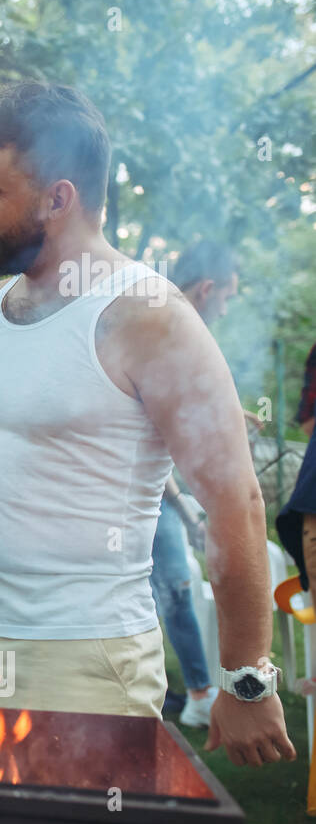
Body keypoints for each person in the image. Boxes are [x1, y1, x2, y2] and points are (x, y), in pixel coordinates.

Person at [0, 82, 294, 767]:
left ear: (59, 198)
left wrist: (246, 681)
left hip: (84, 659)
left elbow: (236, 501)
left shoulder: (150, 317)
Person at [152, 241, 252, 727]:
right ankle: (197, 695)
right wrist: (192, 512)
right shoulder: (171, 333)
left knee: (164, 591)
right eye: (227, 297)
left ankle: (178, 691)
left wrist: (227, 415)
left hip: (151, 495)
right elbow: (155, 439)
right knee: (172, 588)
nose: (227, 308)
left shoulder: (157, 323)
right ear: (207, 289)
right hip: (141, 499)